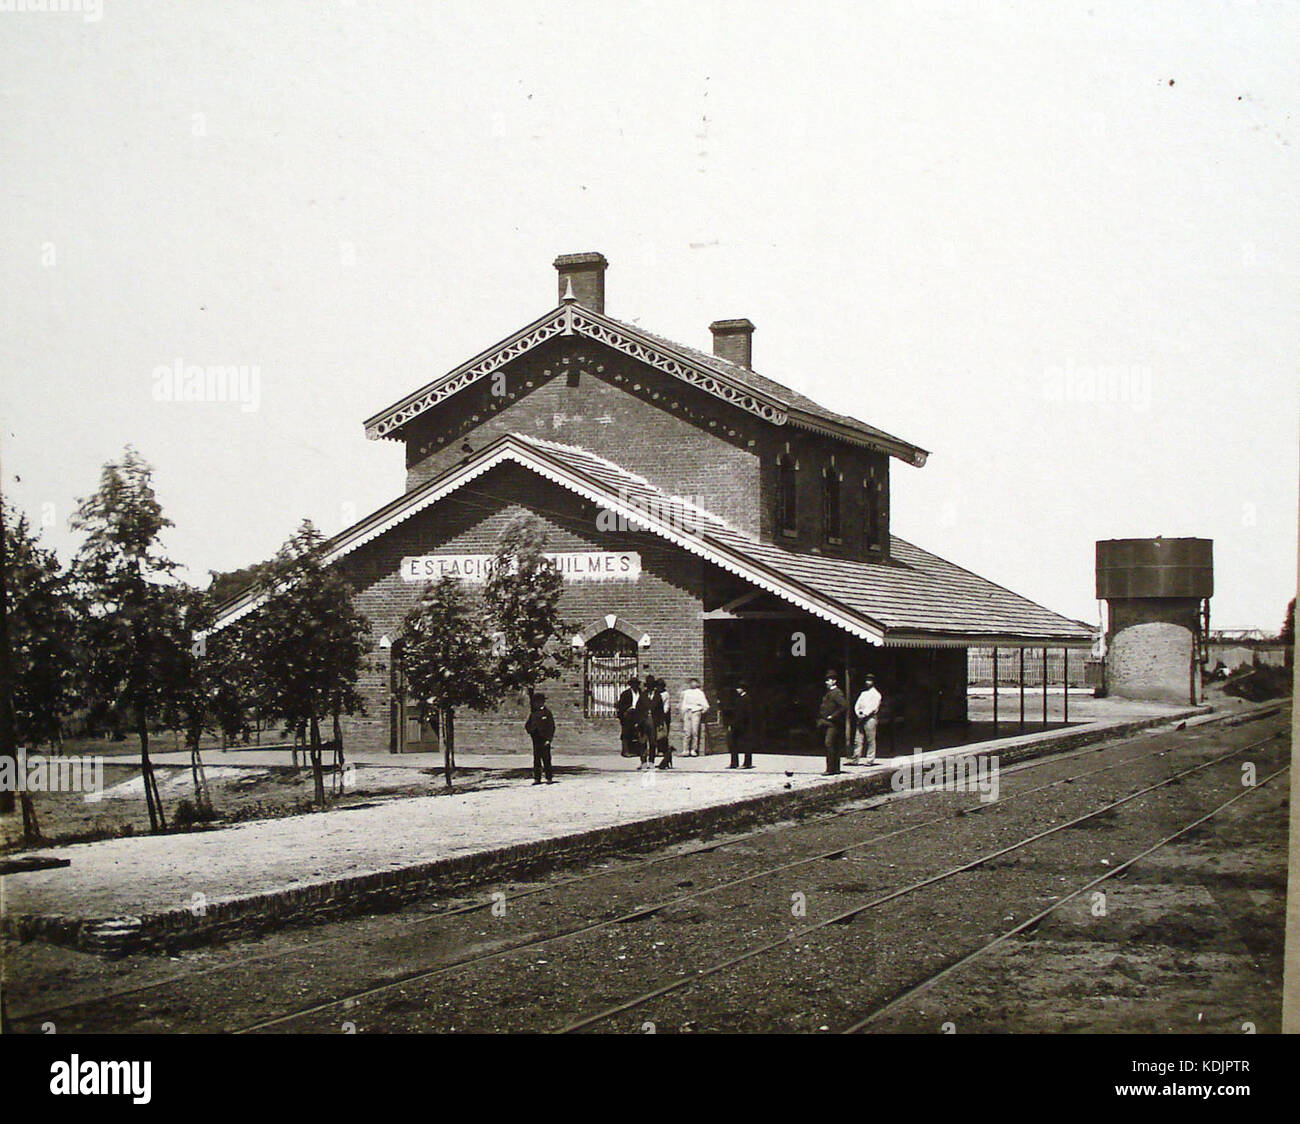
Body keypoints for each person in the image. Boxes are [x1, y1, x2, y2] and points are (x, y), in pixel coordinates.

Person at [817, 670, 847, 775]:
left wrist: (833, 716)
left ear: (834, 681)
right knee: (834, 745)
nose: (826, 682)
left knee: (829, 744)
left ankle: (830, 769)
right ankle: (836, 769)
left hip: (833, 724)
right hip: (828, 723)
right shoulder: (830, 693)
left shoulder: (836, 693)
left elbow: (844, 706)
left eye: (828, 680)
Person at [848, 675, 882, 766]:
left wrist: (865, 714)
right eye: (867, 680)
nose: (867, 682)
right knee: (858, 739)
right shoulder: (863, 693)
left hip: (870, 718)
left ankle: (870, 759)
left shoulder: (876, 694)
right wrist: (858, 713)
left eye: (870, 680)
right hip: (861, 717)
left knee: (870, 739)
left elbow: (873, 707)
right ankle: (855, 758)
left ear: (873, 682)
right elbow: (857, 704)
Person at [525, 692, 556, 784]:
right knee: (536, 759)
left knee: (546, 759)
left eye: (539, 702)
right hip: (536, 739)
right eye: (535, 702)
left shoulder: (547, 713)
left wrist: (548, 739)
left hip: (544, 739)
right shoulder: (533, 713)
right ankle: (537, 778)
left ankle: (549, 777)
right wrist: (531, 731)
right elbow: (528, 725)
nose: (537, 704)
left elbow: (551, 727)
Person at [724, 681, 754, 769]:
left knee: (746, 744)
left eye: (738, 688)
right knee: (733, 744)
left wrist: (740, 724)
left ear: (742, 689)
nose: (737, 690)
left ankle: (747, 763)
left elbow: (745, 714)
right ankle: (734, 763)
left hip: (743, 725)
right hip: (737, 725)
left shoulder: (746, 699)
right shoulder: (739, 699)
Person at [616, 676, 646, 761]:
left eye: (636, 684)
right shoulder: (626, 693)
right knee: (626, 732)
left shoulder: (641, 693)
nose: (635, 686)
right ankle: (626, 751)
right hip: (628, 714)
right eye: (633, 684)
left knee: (637, 732)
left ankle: (636, 750)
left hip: (638, 714)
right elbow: (620, 705)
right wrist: (627, 709)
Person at [680, 678, 710, 756]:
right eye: (691, 683)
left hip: (696, 712)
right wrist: (683, 712)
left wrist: (700, 711)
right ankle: (685, 749)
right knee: (687, 732)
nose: (693, 684)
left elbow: (705, 705)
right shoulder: (686, 693)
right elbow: (683, 703)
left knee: (695, 731)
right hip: (687, 712)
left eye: (694, 683)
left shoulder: (700, 693)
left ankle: (694, 749)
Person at [650, 677, 674, 769]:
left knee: (662, 735)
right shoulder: (655, 694)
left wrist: (662, 715)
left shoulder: (665, 694)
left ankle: (663, 751)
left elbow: (666, 706)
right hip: (654, 717)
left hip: (662, 717)